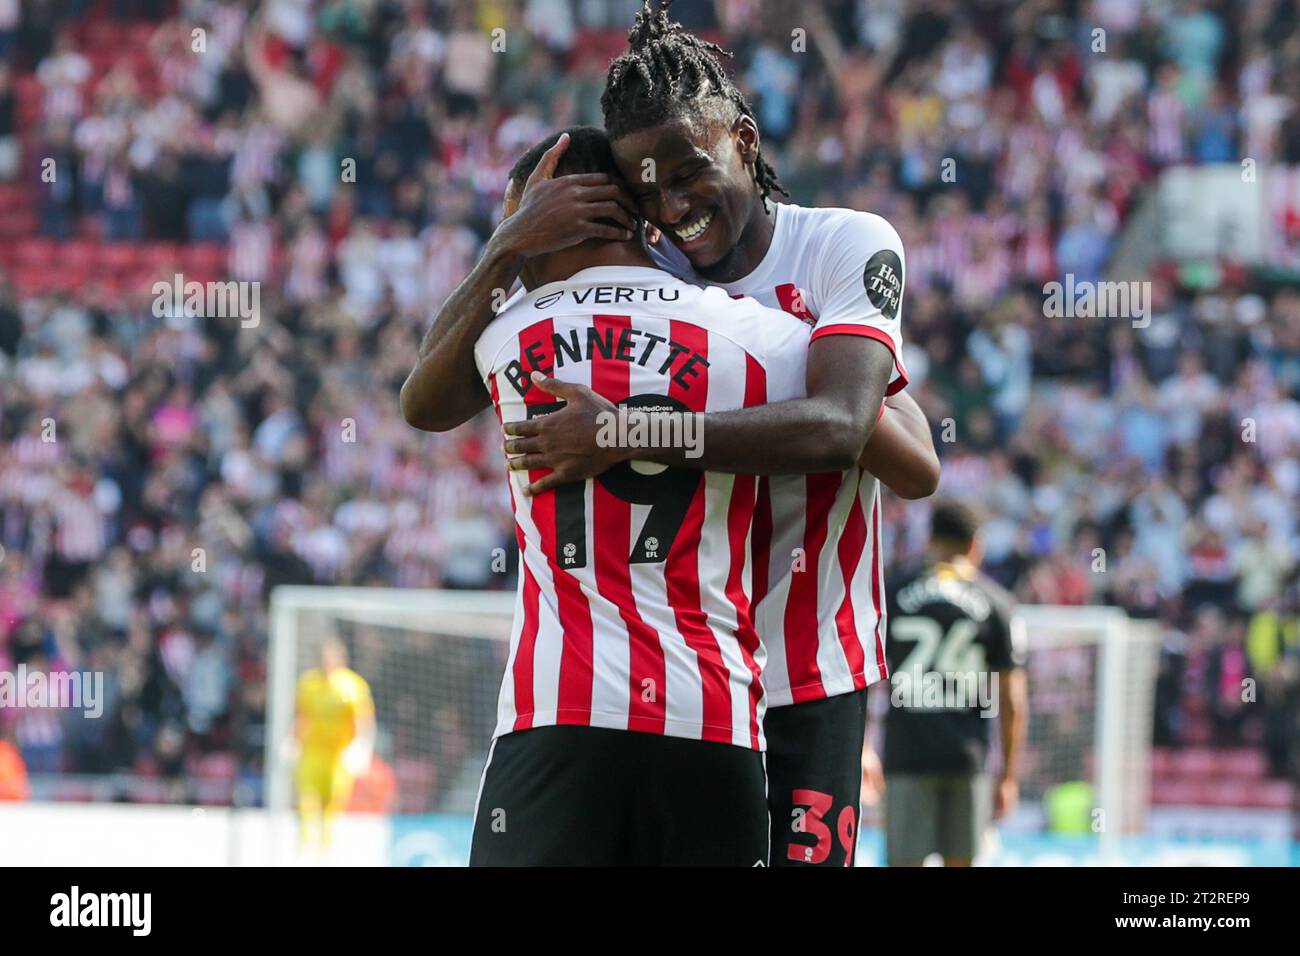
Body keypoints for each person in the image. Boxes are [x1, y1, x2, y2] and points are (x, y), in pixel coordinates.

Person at [488, 1, 938, 866]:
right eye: (646, 187)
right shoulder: (639, 281)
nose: (674, 203)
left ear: (745, 137)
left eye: (690, 171)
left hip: (810, 667)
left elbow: (900, 456)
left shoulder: (845, 249)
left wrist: (630, 427)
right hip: (680, 679)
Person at [414, 125, 818, 865]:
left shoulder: (506, 338)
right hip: (713, 720)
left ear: (551, 209)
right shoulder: (757, 335)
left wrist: (502, 249)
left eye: (516, 215)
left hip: (558, 717)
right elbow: (867, 429)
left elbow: (421, 401)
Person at [864, 500, 1028, 866]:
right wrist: (1009, 776)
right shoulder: (997, 602)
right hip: (967, 759)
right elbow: (1013, 698)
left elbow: (865, 675)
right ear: (975, 544)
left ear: (930, 540)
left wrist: (863, 748)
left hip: (906, 755)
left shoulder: (892, 594)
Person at [292, 637, 375, 849]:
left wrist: (361, 746)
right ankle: (304, 847)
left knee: (332, 804)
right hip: (313, 752)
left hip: (338, 755)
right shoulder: (308, 683)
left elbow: (363, 718)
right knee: (306, 800)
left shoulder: (353, 686)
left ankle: (325, 850)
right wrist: (293, 740)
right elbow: (301, 716)